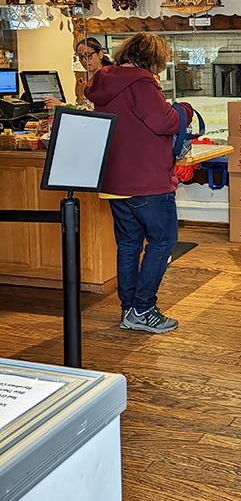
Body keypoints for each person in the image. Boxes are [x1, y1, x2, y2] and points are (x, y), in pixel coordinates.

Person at [85, 33, 193, 334]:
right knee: (162, 242)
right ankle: (143, 309)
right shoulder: (141, 82)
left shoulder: (104, 80)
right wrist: (185, 109)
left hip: (114, 180)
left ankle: (129, 309)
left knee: (129, 245)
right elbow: (166, 122)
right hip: (147, 180)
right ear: (152, 59)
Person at [44, 37, 113, 111]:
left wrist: (60, 105)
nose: (84, 60)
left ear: (100, 54)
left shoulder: (106, 77)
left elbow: (88, 110)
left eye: (88, 55)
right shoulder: (96, 78)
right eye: (81, 57)